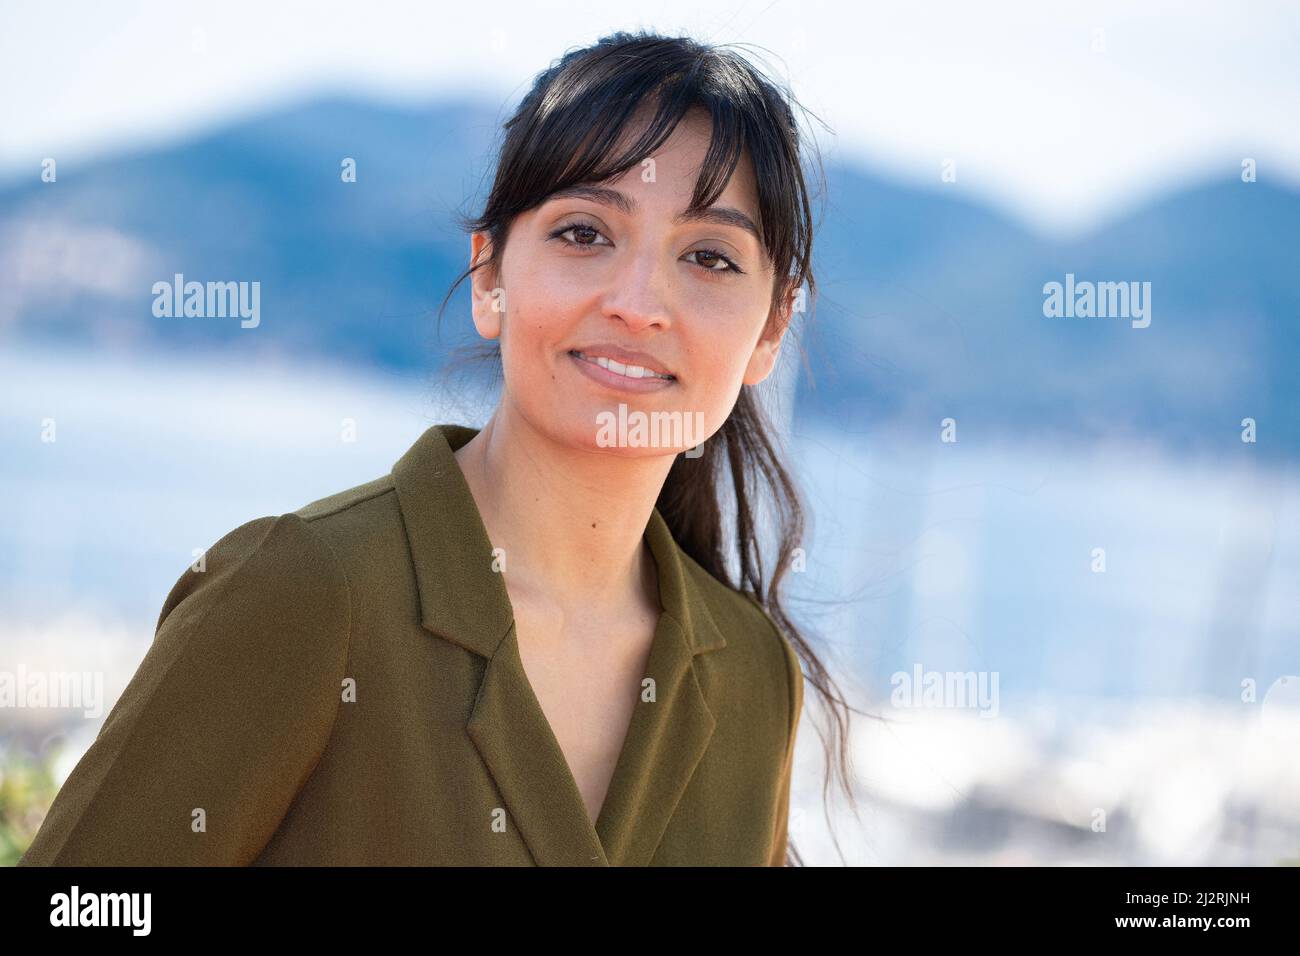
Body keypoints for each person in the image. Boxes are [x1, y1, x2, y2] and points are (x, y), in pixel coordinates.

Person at [20, 29, 855, 867]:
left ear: (770, 332)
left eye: (709, 256)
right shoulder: (303, 589)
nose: (639, 303)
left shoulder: (751, 676)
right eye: (583, 233)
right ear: (490, 277)